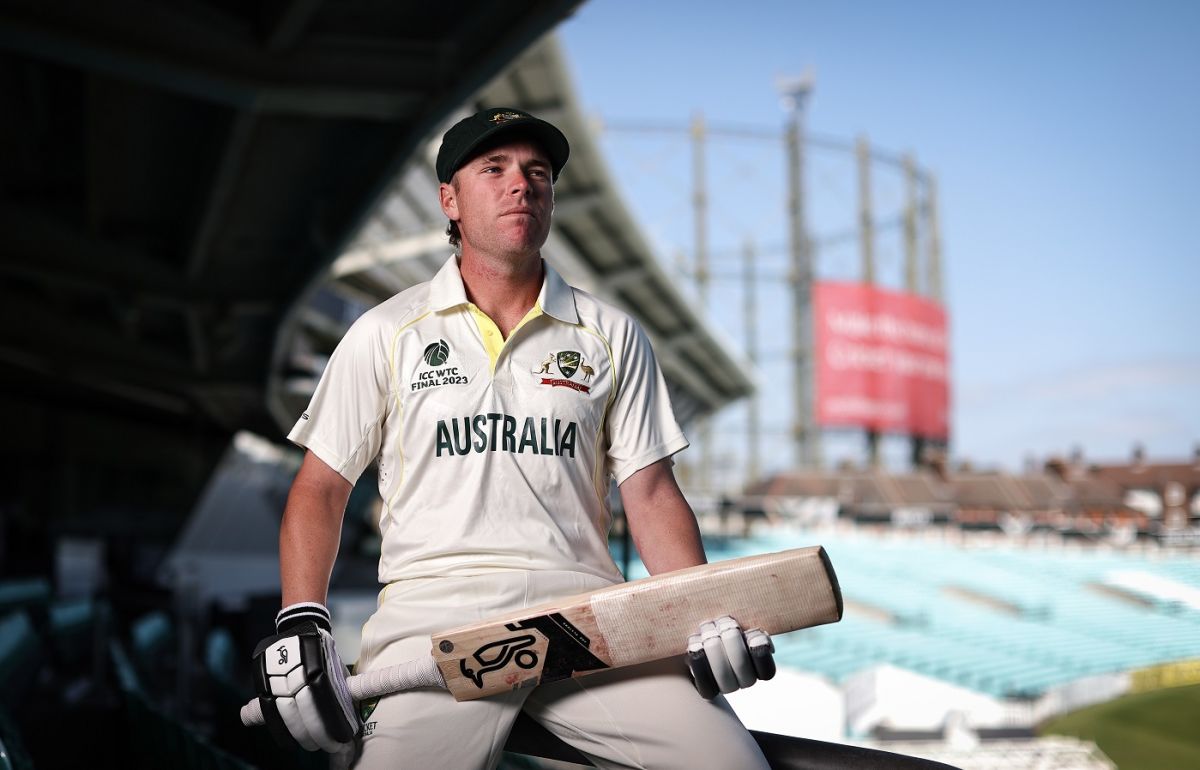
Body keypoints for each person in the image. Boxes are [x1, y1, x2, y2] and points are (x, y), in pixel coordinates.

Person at [251, 107, 774, 769]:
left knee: (734, 766)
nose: (520, 185)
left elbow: (650, 493)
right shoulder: (388, 331)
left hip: (584, 620)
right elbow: (322, 488)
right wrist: (302, 617)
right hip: (435, 622)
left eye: (537, 173)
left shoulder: (610, 333)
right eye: (493, 169)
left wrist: (700, 608)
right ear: (450, 199)